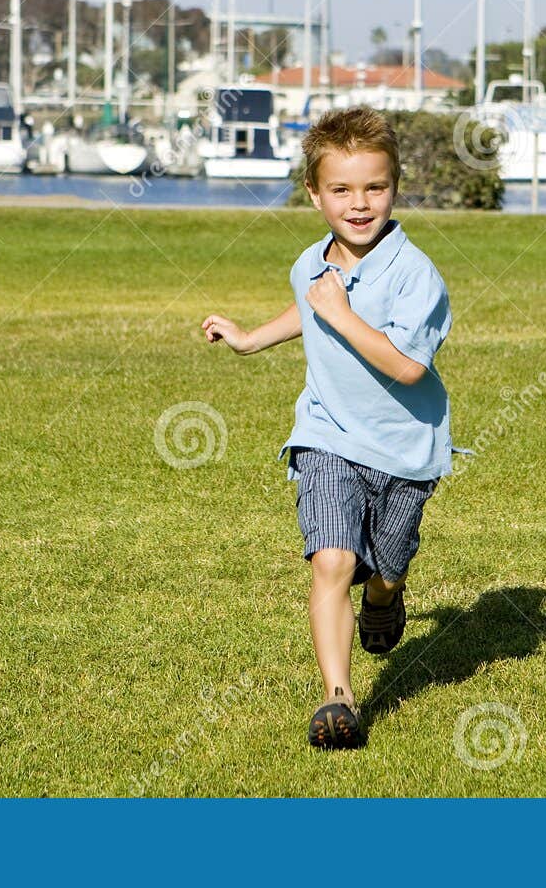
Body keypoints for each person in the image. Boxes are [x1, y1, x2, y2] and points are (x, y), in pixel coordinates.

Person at [201, 108, 457, 749]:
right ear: (314, 194)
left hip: (403, 451)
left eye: (374, 187)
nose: (360, 203)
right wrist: (251, 339)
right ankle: (338, 699)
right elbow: (310, 306)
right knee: (333, 560)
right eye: (341, 189)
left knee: (386, 567)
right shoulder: (309, 265)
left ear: (395, 185)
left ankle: (383, 598)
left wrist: (341, 314)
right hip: (326, 437)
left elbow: (404, 366)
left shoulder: (416, 275)